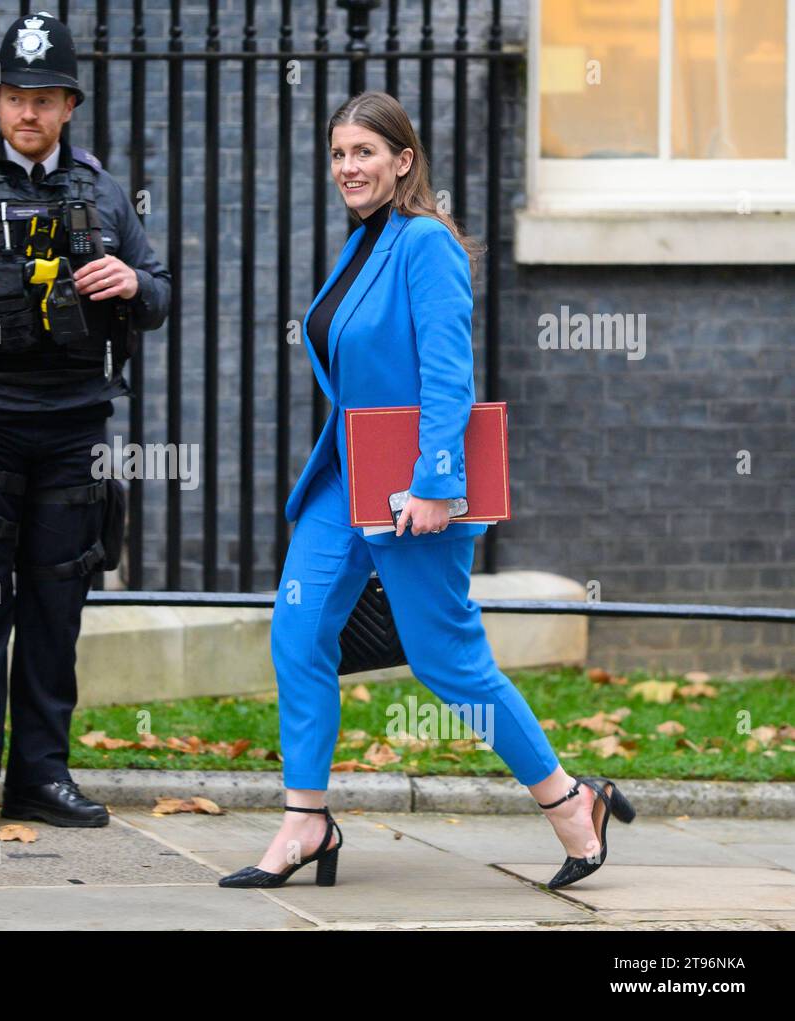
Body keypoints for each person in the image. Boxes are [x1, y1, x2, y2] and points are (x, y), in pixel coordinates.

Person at [217, 91, 635, 890]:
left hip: (415, 489)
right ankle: (306, 818)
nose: (347, 167)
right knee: (298, 633)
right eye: (338, 154)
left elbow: (450, 372)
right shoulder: (363, 244)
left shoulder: (424, 244)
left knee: (447, 661)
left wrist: (436, 483)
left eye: (364, 153)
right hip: (346, 477)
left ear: (403, 161)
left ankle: (568, 798)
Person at [0, 11, 171, 831]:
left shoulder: (101, 189)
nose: (28, 112)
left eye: (44, 98)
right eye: (15, 95)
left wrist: (134, 286)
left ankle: (41, 776)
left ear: (70, 105)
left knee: (57, 608)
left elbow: (158, 294)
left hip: (73, 427)